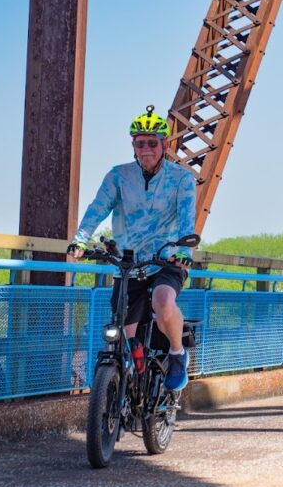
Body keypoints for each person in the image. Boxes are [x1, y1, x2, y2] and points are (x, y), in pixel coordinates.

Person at [68, 105, 197, 392]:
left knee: (163, 303)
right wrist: (81, 238)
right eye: (140, 143)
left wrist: (184, 251)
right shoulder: (118, 176)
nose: (146, 149)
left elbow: (187, 219)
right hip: (128, 264)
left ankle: (177, 354)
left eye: (152, 143)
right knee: (123, 338)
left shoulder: (182, 179)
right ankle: (125, 387)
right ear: (133, 145)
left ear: (164, 144)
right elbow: (97, 209)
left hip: (165, 260)